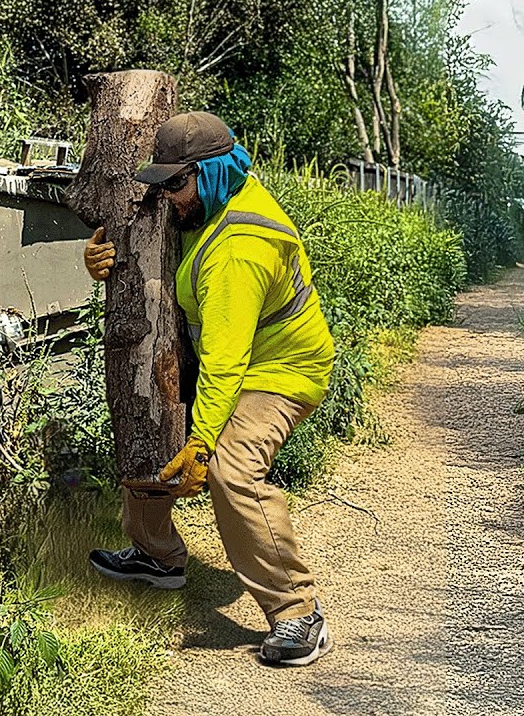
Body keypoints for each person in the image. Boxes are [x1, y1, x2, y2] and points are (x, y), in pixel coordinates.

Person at [81, 112, 336, 667]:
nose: (169, 197)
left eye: (177, 183)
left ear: (213, 172)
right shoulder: (208, 201)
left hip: (281, 369)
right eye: (163, 183)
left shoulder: (239, 248)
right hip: (230, 358)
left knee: (230, 466)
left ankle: (298, 613)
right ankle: (159, 557)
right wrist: (103, 259)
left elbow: (226, 362)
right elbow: (155, 247)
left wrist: (201, 444)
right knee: (150, 424)